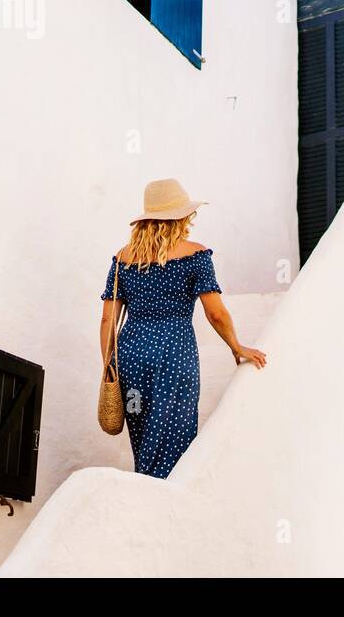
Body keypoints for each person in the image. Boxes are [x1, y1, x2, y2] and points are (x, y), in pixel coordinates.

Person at [100, 178, 266, 478]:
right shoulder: (195, 255)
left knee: (143, 434)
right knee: (173, 432)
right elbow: (215, 313)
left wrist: (109, 366)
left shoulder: (122, 258)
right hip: (173, 352)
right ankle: (163, 503)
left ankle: (145, 493)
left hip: (131, 355)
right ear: (181, 216)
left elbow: (107, 321)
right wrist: (237, 346)